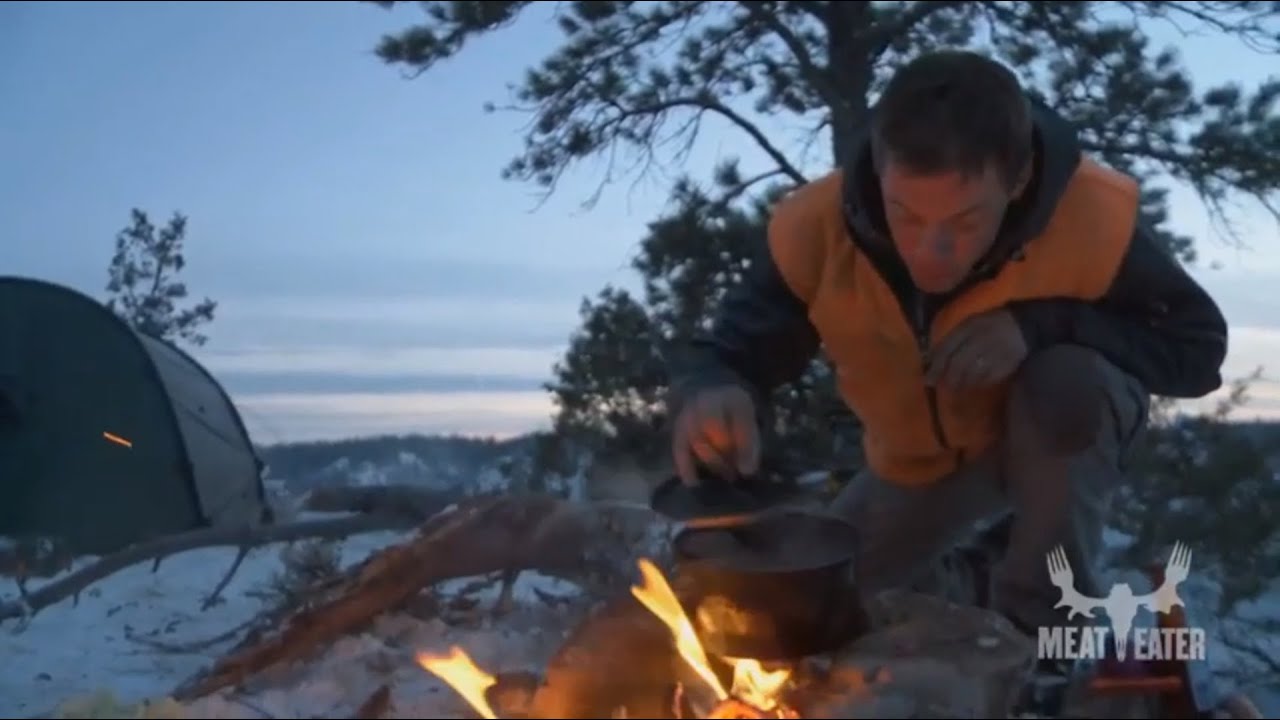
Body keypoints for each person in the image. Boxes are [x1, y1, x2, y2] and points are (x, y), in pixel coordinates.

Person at [665, 49, 1228, 636]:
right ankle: (969, 578)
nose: (930, 253)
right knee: (813, 608)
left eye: (963, 223)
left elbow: (1198, 350)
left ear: (1017, 181)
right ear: (879, 174)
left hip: (1054, 431)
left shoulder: (1086, 217)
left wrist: (1038, 327)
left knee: (1066, 385)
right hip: (917, 463)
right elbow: (728, 350)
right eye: (905, 216)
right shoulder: (819, 227)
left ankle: (1042, 641)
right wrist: (712, 387)